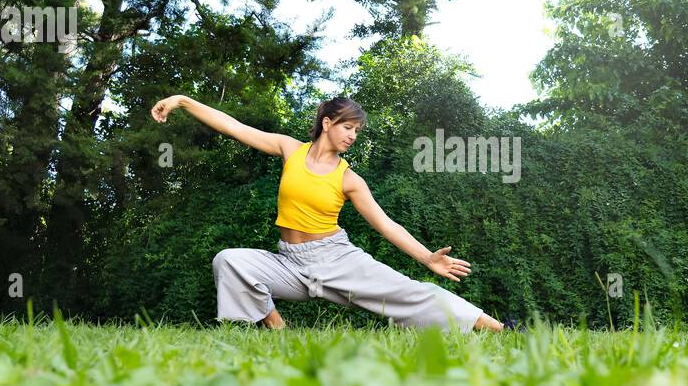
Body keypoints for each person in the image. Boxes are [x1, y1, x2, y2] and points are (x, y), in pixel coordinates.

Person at [150, 93, 508, 333]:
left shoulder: (349, 179)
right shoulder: (290, 150)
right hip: (289, 262)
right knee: (229, 260)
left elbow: (386, 224)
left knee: (412, 294)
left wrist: (427, 257)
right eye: (348, 127)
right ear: (327, 123)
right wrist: (182, 101)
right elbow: (235, 128)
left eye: (356, 131)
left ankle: (500, 329)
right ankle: (277, 331)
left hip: (337, 260)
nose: (353, 136)